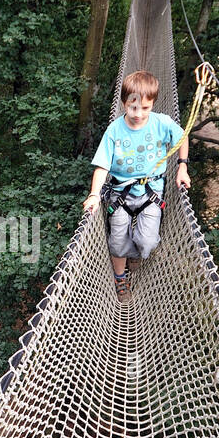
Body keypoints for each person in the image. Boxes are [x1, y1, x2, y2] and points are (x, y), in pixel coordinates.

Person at [83, 70, 190, 299]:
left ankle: (134, 253)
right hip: (120, 193)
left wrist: (182, 166)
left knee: (147, 243)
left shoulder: (162, 123)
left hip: (151, 192)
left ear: (153, 104)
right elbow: (102, 167)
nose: (138, 114)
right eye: (133, 108)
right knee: (117, 242)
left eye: (145, 108)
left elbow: (182, 138)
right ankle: (120, 277)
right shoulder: (114, 131)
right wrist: (94, 194)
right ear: (123, 103)